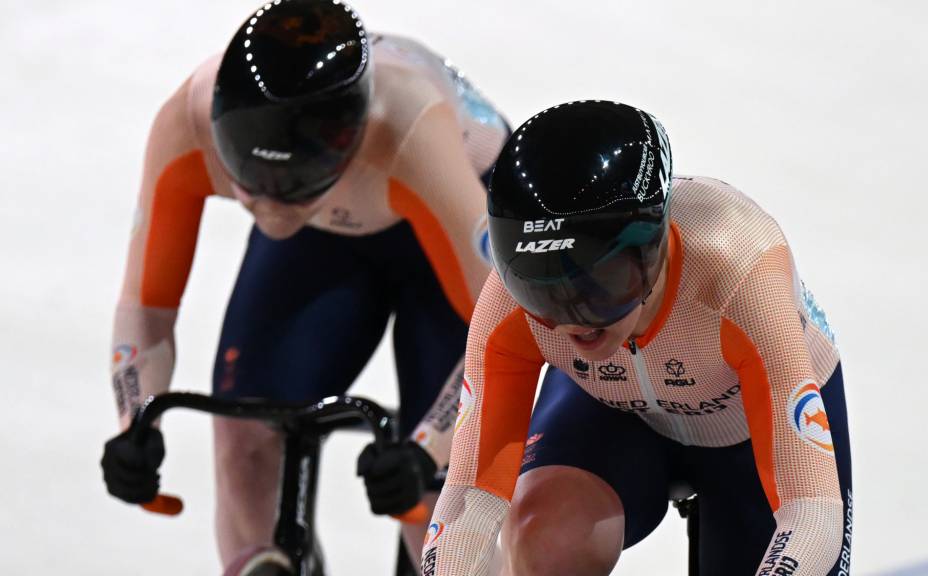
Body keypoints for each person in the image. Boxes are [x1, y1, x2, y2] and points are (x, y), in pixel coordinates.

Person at [100, 0, 509, 571]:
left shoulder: (409, 130)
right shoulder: (185, 121)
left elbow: (503, 335)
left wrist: (427, 450)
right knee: (246, 433)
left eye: (290, 184)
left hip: (450, 203)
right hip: (323, 231)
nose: (268, 205)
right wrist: (134, 421)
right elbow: (144, 305)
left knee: (436, 501)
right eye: (251, 181)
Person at [422, 100, 853, 575]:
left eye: (601, 286)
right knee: (545, 539)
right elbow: (469, 497)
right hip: (611, 416)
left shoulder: (737, 271)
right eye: (540, 290)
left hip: (754, 434)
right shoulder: (505, 302)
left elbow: (812, 512)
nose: (573, 322)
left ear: (653, 248)